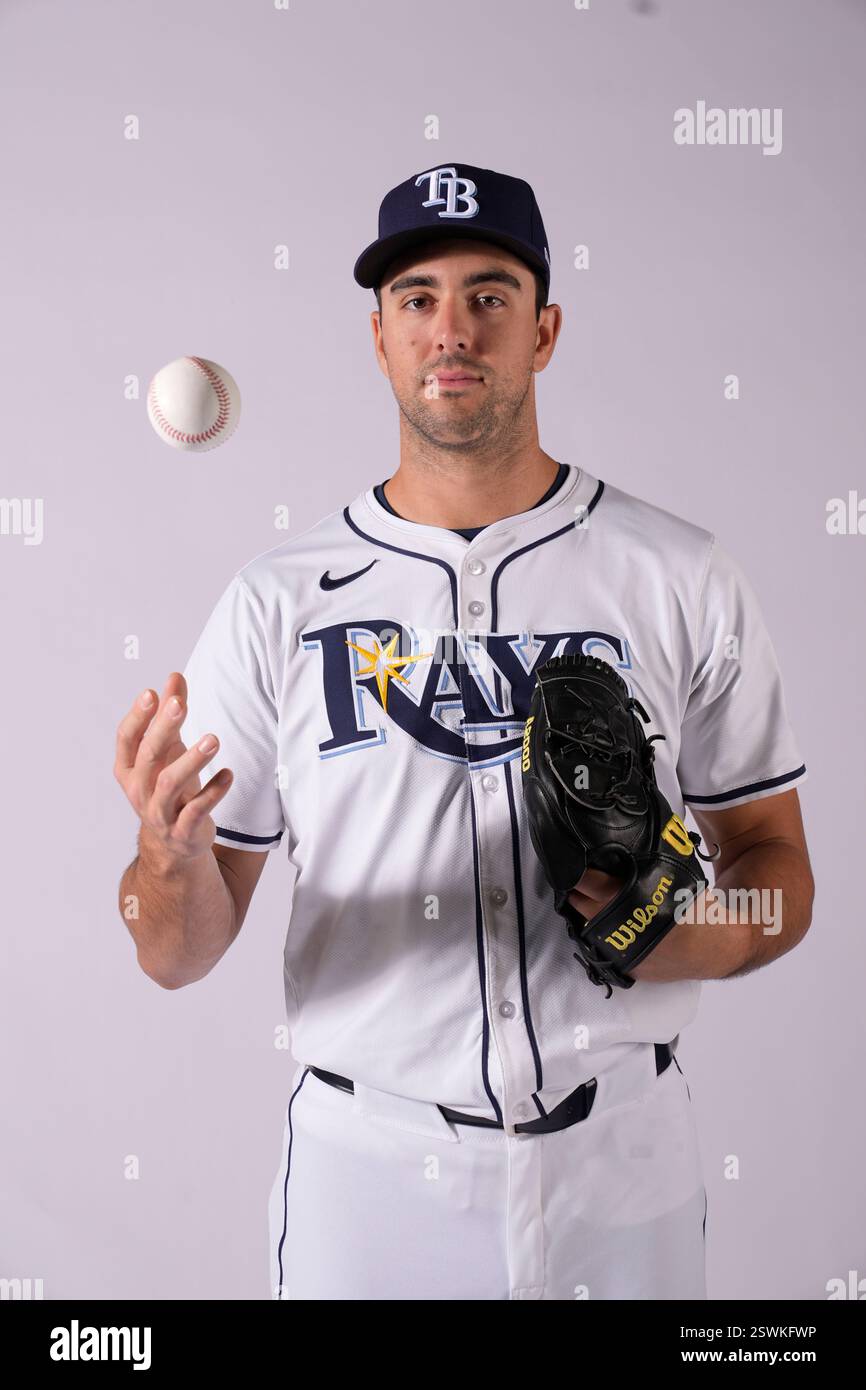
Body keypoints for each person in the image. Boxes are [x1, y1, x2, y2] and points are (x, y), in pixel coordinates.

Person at [114, 162, 814, 1301]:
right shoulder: (276, 601)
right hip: (369, 1177)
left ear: (542, 331)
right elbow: (172, 951)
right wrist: (165, 862)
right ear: (379, 336)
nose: (453, 329)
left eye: (489, 296)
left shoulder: (678, 573)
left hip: (622, 1156)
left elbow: (777, 870)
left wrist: (710, 935)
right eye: (417, 298)